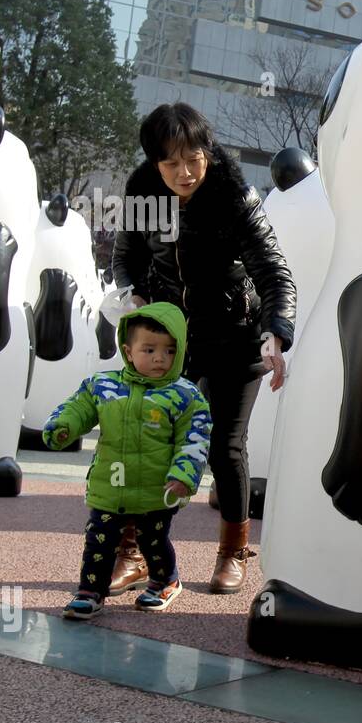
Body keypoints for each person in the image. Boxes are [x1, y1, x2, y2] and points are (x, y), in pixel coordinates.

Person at [112, 103, 297, 594]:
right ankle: (134, 553)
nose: (185, 172)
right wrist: (133, 293)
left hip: (236, 334)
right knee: (150, 441)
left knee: (224, 446)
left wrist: (275, 329)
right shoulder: (142, 190)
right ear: (155, 163)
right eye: (172, 163)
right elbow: (126, 255)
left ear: (207, 153)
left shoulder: (234, 193)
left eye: (194, 158)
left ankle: (233, 551)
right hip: (172, 338)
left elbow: (272, 268)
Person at [45, 304, 212, 618]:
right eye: (149, 349)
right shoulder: (104, 385)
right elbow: (79, 407)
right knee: (100, 540)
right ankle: (90, 591)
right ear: (128, 350)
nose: (160, 358)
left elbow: (195, 438)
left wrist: (184, 475)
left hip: (157, 488)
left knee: (153, 540)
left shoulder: (185, 395)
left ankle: (165, 580)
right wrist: (63, 427)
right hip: (111, 483)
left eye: (170, 351)